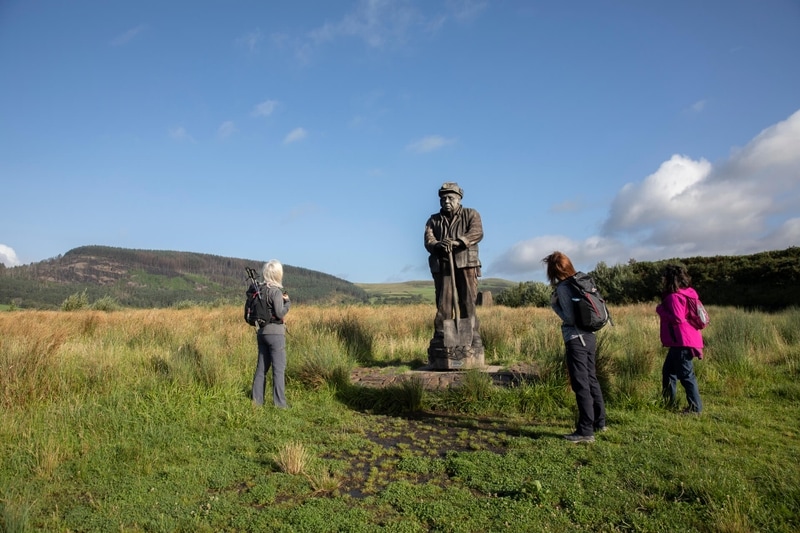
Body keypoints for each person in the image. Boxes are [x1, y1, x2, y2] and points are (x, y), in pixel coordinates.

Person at [543, 251, 607, 443]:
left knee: (581, 384)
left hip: (576, 338)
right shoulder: (579, 281)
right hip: (589, 336)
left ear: (553, 271)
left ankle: (585, 431)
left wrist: (555, 306)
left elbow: (570, 318)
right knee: (591, 379)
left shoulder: (563, 288)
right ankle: (600, 422)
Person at [424, 182, 484, 365]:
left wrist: (459, 242)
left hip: (466, 263)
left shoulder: (471, 214)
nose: (446, 201)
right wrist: (438, 245)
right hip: (443, 265)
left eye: (450, 198)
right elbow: (428, 239)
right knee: (444, 301)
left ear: (459, 199)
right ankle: (441, 335)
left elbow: (477, 232)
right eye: (443, 198)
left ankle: (472, 334)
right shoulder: (433, 220)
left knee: (468, 300)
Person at [656, 264, 703, 414]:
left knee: (686, 376)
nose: (663, 280)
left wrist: (661, 310)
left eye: (665, 277)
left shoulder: (674, 296)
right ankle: (669, 402)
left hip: (681, 341)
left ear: (670, 279)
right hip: (686, 339)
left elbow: (677, 318)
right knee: (669, 372)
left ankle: (695, 409)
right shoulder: (688, 293)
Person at [252, 259, 291, 408]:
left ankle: (257, 402)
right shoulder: (275, 291)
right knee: (278, 369)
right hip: (275, 334)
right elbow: (280, 313)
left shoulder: (259, 291)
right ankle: (280, 404)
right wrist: (288, 303)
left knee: (261, 368)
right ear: (278, 274)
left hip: (261, 332)